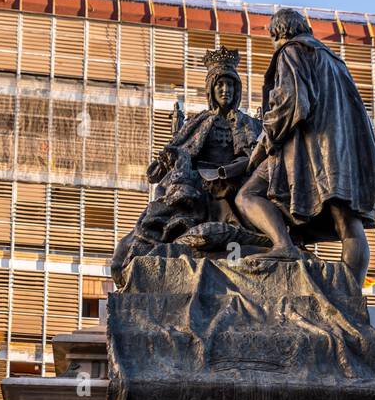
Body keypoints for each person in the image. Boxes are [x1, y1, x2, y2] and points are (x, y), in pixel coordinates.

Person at [236, 7, 375, 284]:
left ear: (279, 33)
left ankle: (284, 246)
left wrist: (263, 143)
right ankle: (350, 295)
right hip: (346, 154)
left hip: (312, 152)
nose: (274, 44)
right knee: (348, 224)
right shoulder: (334, 61)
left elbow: (291, 103)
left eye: (273, 38)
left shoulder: (292, 51)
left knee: (247, 196)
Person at [111, 47, 262, 284]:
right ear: (211, 89)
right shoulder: (200, 121)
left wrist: (233, 169)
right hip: (202, 185)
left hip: (236, 184)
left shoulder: (247, 123)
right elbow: (182, 149)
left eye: (230, 85)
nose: (226, 90)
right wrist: (169, 160)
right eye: (220, 85)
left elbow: (255, 157)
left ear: (237, 89)